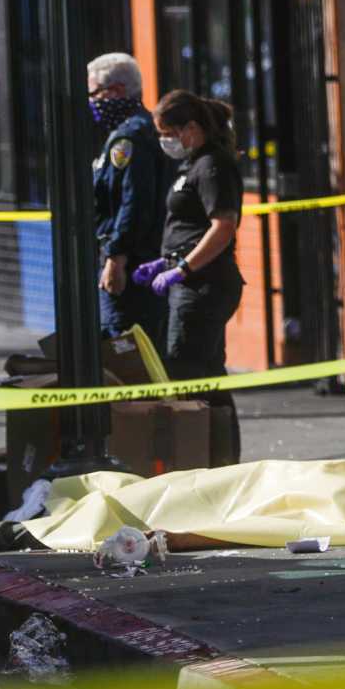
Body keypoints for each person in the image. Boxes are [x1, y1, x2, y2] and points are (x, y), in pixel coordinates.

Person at [131, 90, 243, 461]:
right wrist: (165, 263)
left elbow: (223, 226)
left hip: (203, 286)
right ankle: (217, 457)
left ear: (191, 128)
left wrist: (183, 268)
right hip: (190, 280)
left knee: (189, 373)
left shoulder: (212, 165)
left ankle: (211, 456)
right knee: (204, 371)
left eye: (168, 132)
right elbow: (191, 228)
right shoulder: (194, 164)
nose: (166, 141)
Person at [87, 52, 168, 346]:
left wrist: (116, 257)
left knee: (123, 342)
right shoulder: (145, 128)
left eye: (94, 94)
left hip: (132, 264)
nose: (92, 102)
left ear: (116, 91)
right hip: (144, 259)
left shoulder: (129, 139)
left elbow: (133, 203)